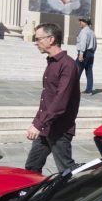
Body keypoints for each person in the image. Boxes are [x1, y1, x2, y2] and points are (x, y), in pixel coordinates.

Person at [25, 23, 80, 173]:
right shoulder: (51, 63)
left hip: (60, 128)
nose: (36, 43)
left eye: (38, 39)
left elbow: (60, 100)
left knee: (66, 170)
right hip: (46, 127)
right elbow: (46, 99)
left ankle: (85, 192)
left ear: (51, 39)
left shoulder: (67, 64)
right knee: (32, 167)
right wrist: (38, 122)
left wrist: (38, 123)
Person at [76, 17, 97, 94]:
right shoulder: (92, 32)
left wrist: (81, 54)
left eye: (81, 21)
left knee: (76, 71)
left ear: (85, 22)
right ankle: (89, 90)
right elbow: (95, 45)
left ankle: (73, 90)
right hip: (90, 53)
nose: (79, 23)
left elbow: (83, 43)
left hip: (84, 53)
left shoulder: (84, 31)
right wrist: (92, 53)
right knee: (89, 72)